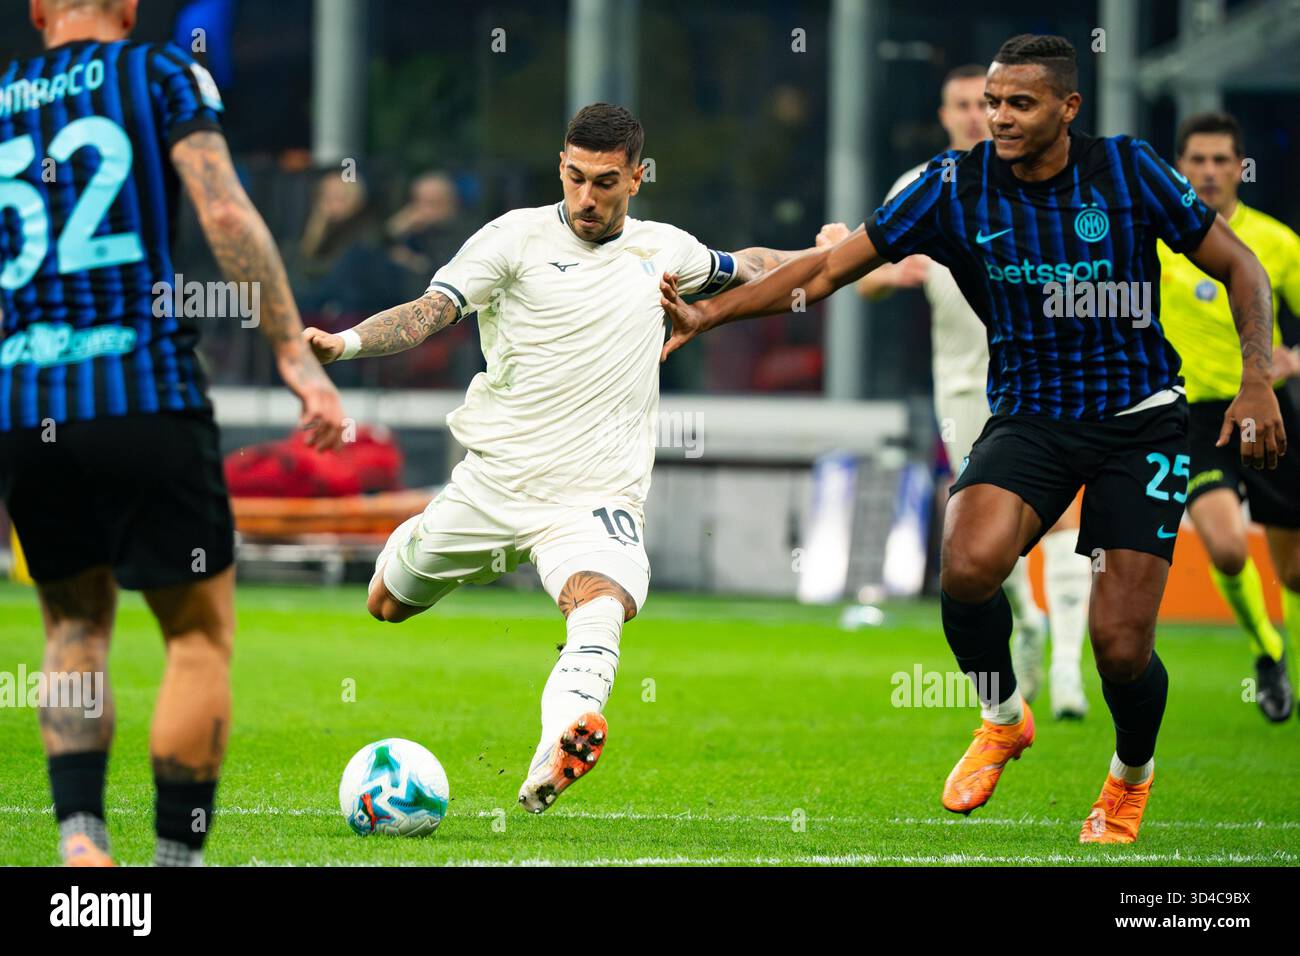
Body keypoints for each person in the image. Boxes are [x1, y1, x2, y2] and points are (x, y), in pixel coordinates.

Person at [658, 35, 1285, 843]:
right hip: (1031, 416)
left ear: (1069, 108)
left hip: (1140, 421)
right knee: (967, 567)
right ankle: (1002, 716)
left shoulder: (1129, 172)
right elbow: (825, 270)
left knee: (1121, 649)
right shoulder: (951, 187)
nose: (999, 117)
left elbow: (1240, 265)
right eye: (991, 102)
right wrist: (711, 313)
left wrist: (1257, 378)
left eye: (1019, 103)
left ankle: (1130, 775)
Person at [303, 103, 817, 813]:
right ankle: (422, 540)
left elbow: (748, 267)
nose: (587, 198)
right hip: (493, 484)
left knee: (600, 602)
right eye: (575, 178)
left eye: (606, 182)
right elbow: (430, 311)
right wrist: (347, 343)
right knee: (387, 604)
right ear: (560, 169)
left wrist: (829, 253)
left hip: (592, 497)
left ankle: (558, 743)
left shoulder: (663, 248)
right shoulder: (511, 239)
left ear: (637, 177)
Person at [0, 0, 345, 866]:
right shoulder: (159, 72)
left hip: (26, 403)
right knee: (195, 634)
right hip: (140, 389)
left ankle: (81, 846)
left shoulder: (2, 94)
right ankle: (171, 868)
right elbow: (225, 216)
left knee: (72, 629)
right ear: (128, 6)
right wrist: (294, 359)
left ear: (38, 8)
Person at [822, 63, 1093, 718]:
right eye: (964, 105)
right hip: (964, 383)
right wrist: (896, 272)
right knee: (987, 529)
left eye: (987, 103)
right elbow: (863, 276)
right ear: (945, 115)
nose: (977, 115)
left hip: (1044, 373)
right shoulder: (923, 185)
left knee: (1062, 514)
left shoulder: (1040, 178)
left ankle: (1067, 677)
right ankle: (1029, 623)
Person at [1158, 111, 1300, 722]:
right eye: (1198, 160)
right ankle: (1266, 649)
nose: (1210, 172)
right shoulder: (1158, 238)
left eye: (1222, 160)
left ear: (1240, 167)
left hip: (1265, 410)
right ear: (1180, 166)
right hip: (1193, 418)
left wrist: (1290, 363)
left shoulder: (1276, 242)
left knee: (1294, 574)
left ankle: (1283, 659)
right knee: (1226, 549)